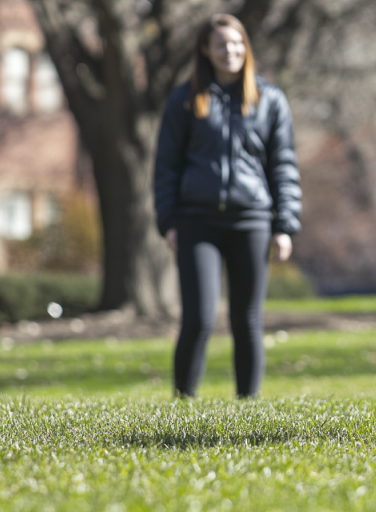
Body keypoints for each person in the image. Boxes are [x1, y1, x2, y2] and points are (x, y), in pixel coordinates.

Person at [154, 13, 301, 398]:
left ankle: (247, 406)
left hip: (251, 221)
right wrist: (168, 221)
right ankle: (183, 403)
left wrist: (284, 224)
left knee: (247, 320)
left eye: (236, 43)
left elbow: (282, 164)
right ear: (205, 49)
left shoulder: (269, 100)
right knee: (198, 319)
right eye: (221, 44)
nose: (230, 51)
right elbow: (166, 166)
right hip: (195, 222)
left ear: (246, 48)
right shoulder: (185, 100)